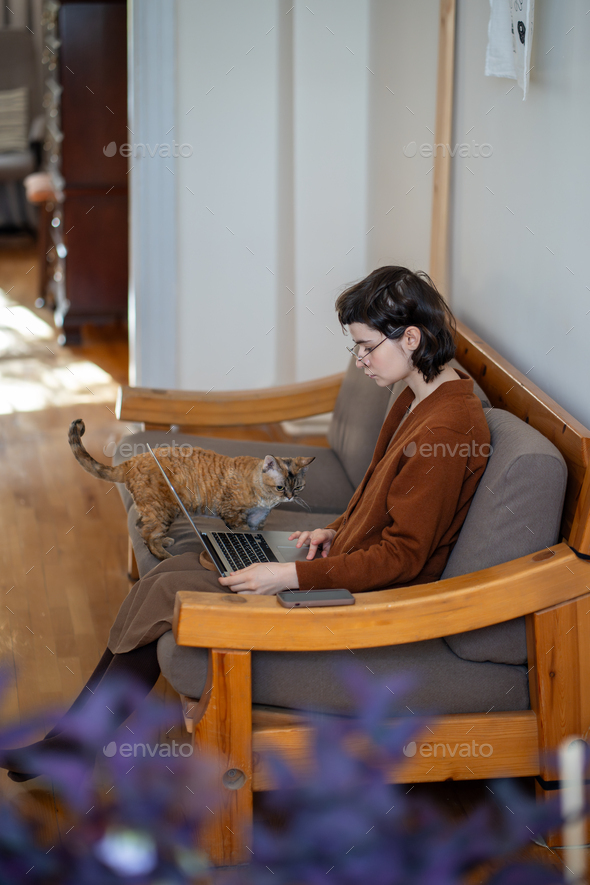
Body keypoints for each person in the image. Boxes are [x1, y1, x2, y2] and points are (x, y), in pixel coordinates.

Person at [0, 266, 491, 781]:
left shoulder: (448, 425)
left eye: (366, 347)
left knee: (174, 592)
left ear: (411, 337)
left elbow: (405, 558)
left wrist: (290, 577)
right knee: (165, 578)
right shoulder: (421, 392)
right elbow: (377, 492)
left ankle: (72, 747)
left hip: (371, 605)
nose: (361, 362)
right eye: (356, 349)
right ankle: (71, 742)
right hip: (340, 564)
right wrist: (335, 529)